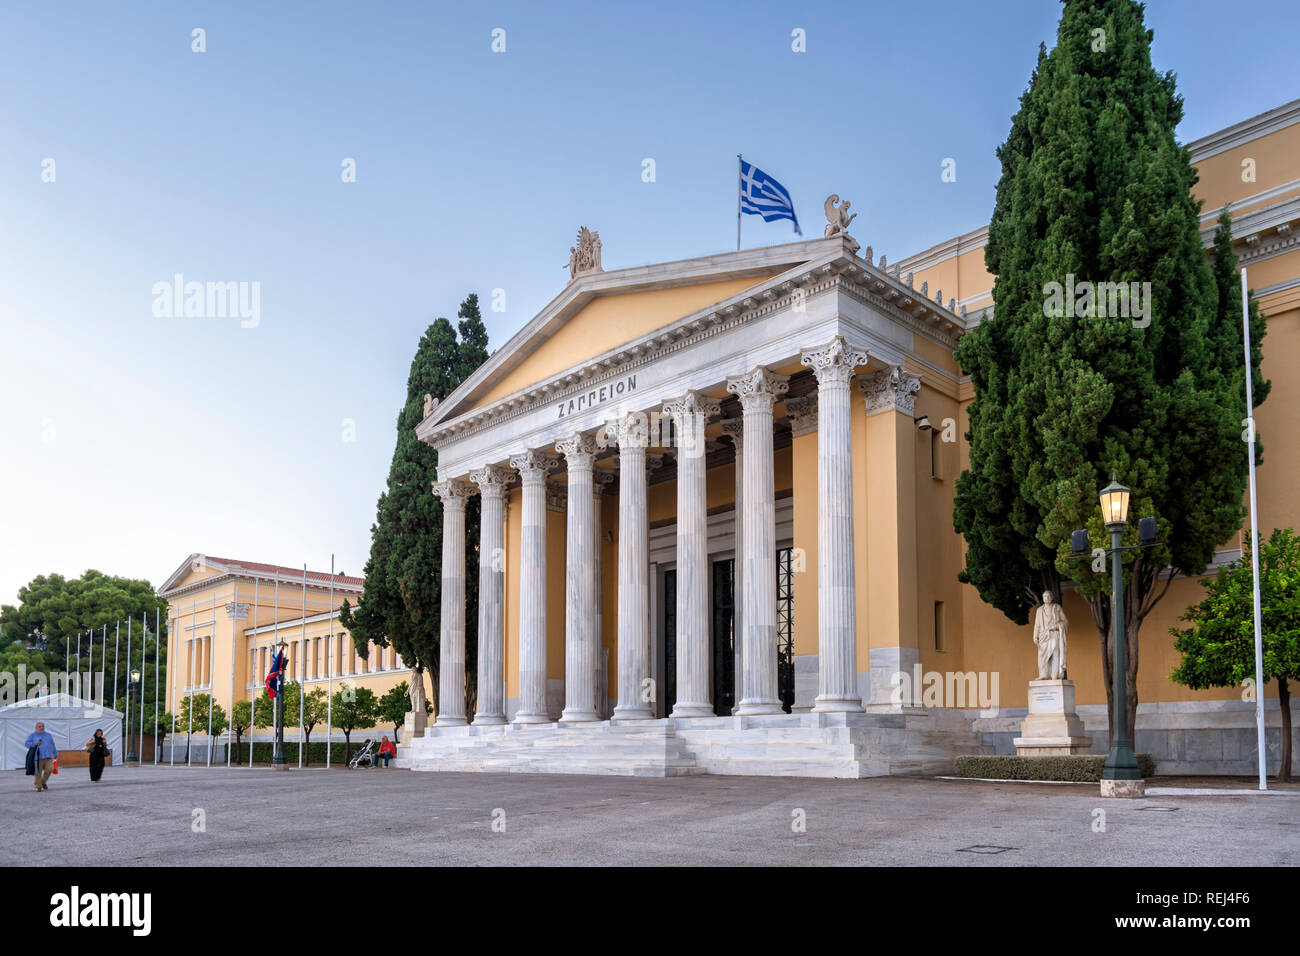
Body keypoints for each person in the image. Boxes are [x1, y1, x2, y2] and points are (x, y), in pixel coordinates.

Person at [25, 722, 58, 792]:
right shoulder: (32, 735)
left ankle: (43, 782)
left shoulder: (48, 735)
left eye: (42, 726)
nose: (41, 728)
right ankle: (38, 786)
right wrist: (35, 743)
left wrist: (55, 753)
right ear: (36, 728)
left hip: (48, 756)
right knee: (38, 772)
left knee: (50, 769)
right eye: (39, 726)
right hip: (38, 758)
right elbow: (26, 744)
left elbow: (52, 744)